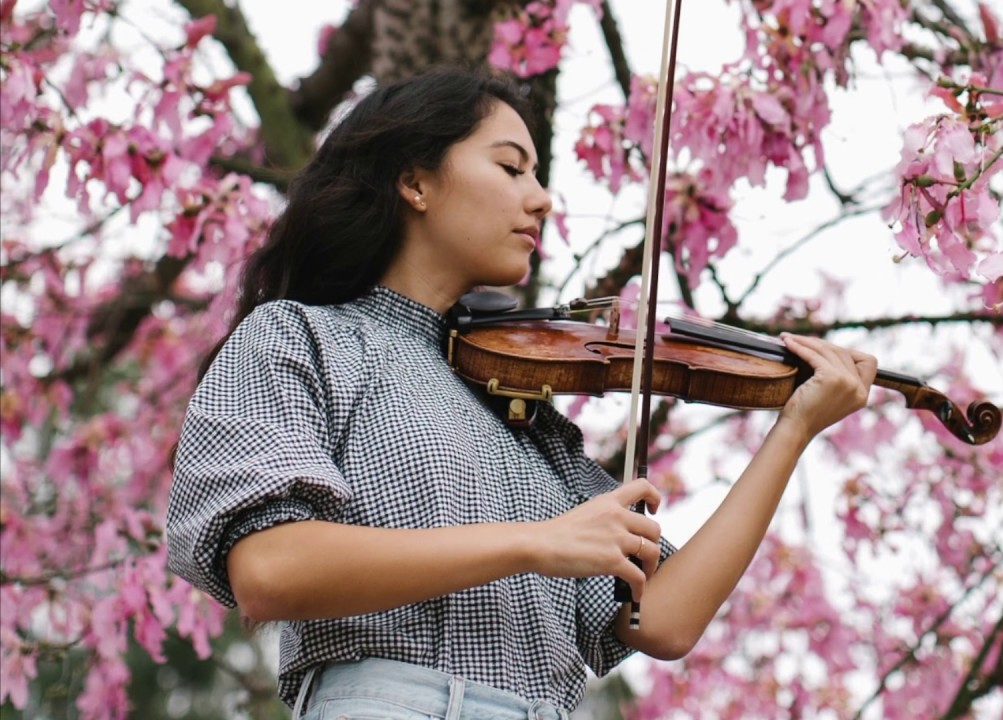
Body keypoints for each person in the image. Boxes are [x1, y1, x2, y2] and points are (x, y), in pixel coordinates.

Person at [166, 65, 878, 720]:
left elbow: (660, 620)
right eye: (510, 167)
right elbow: (270, 569)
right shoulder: (302, 338)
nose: (540, 199)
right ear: (415, 182)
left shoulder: (521, 409)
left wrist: (792, 429)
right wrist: (538, 543)